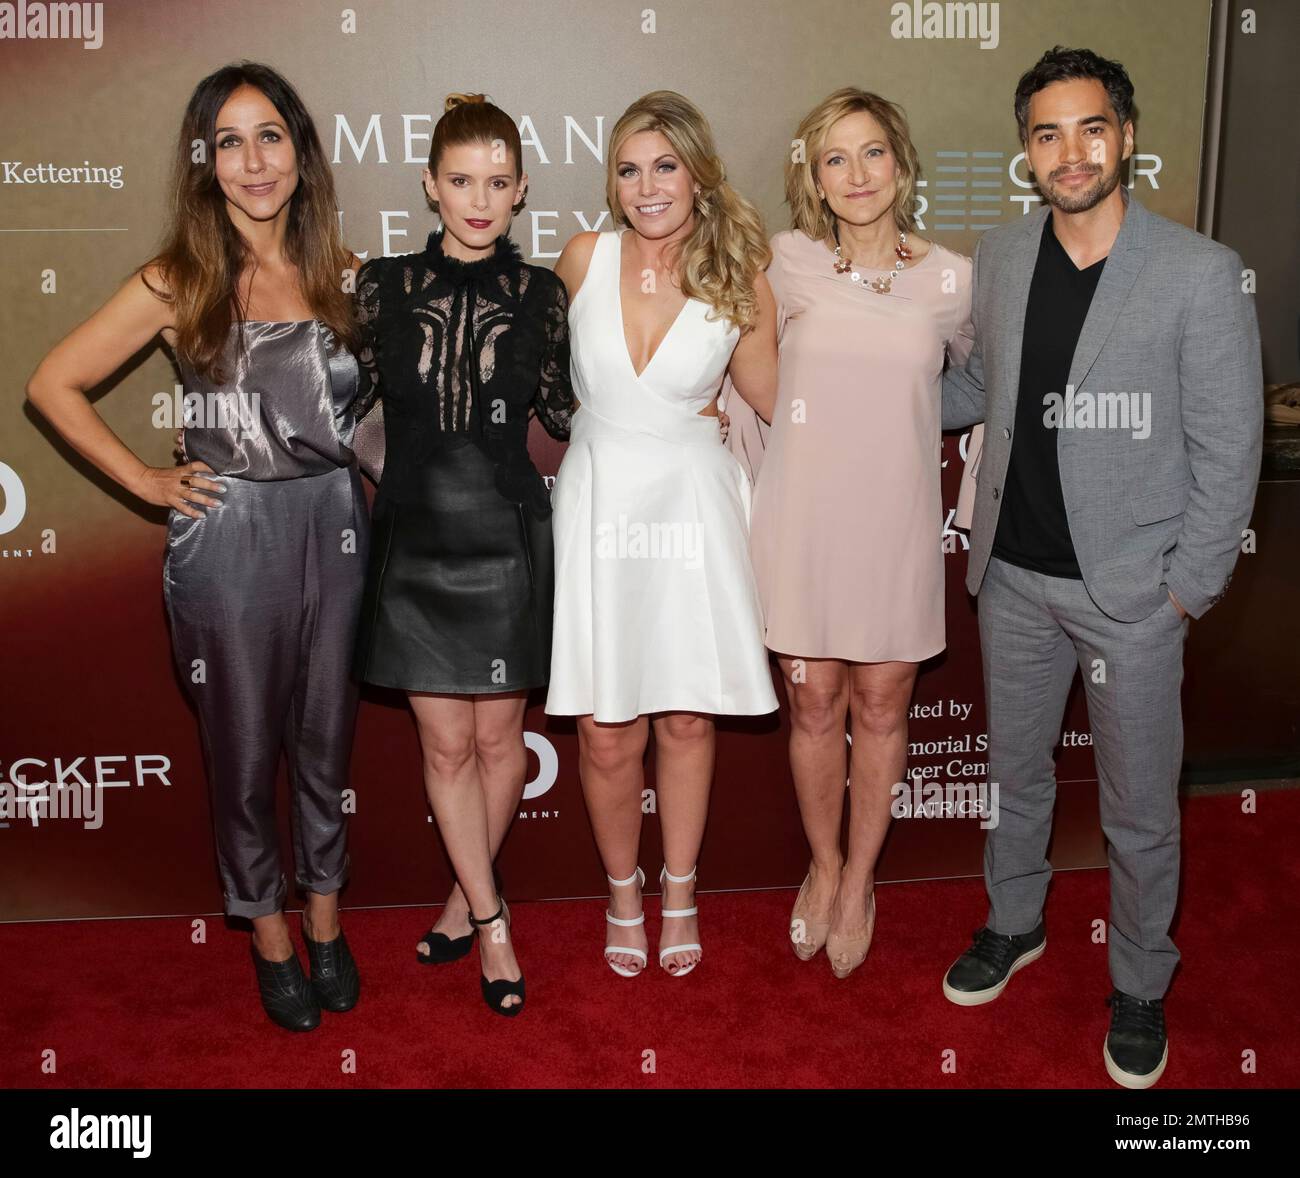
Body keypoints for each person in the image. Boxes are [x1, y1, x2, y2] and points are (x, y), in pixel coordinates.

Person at [939, 46, 1262, 1088]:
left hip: (1132, 597)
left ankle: (1137, 979)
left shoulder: (1198, 272)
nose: (1068, 152)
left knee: (1133, 806)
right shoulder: (997, 254)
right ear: (1026, 152)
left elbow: (1229, 450)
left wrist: (1182, 590)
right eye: (1046, 134)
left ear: (1123, 137)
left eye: (1088, 129)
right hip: (1015, 578)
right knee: (1015, 776)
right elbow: (980, 384)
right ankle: (1016, 920)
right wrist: (851, 379)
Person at [25, 63, 371, 1032]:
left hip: (336, 526)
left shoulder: (345, 275)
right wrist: (145, 481)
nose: (253, 161)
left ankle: (328, 918)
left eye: (270, 137)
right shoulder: (181, 276)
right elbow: (53, 383)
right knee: (245, 744)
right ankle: (267, 928)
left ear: (300, 153)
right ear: (205, 162)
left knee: (325, 741)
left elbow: (376, 420)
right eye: (229, 141)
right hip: (230, 540)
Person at [724, 88, 974, 978]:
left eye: (872, 154)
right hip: (806, 521)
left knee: (881, 707)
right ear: (815, 180)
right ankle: (823, 866)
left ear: (900, 164)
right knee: (817, 703)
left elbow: (981, 390)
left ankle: (863, 877)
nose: (857, 174)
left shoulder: (952, 279)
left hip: (898, 525)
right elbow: (750, 381)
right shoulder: (783, 262)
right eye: (836, 158)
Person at [546, 90, 779, 979]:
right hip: (600, 501)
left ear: (698, 171)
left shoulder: (739, 272)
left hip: (692, 505)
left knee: (684, 716)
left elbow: (775, 401)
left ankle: (680, 887)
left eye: (665, 166)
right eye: (629, 168)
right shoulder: (582, 258)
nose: (647, 187)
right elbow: (528, 372)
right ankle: (622, 893)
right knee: (608, 729)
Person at [350, 94, 574, 1017]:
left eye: (496, 182)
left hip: (508, 533)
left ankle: (463, 898)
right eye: (459, 181)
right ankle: (493, 924)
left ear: (520, 191)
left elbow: (563, 413)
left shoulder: (543, 295)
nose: (477, 200)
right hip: (415, 538)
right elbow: (344, 399)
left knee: (496, 744)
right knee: (446, 745)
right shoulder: (383, 285)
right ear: (430, 186)